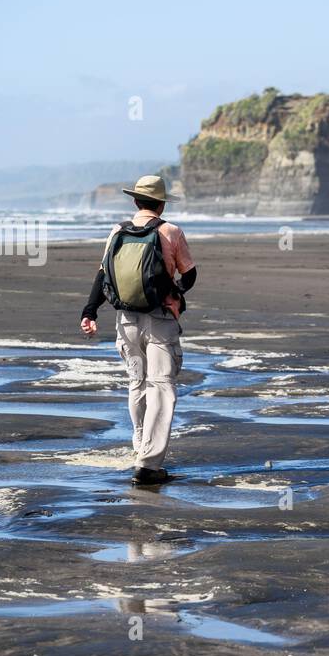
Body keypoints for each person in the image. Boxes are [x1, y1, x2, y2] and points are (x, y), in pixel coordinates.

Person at [79, 175, 197, 485]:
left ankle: (140, 448)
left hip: (125, 319)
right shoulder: (170, 231)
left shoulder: (117, 231)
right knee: (162, 387)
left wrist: (90, 311)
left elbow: (103, 274)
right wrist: (175, 294)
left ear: (135, 202)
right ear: (161, 204)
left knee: (138, 383)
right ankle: (148, 464)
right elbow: (190, 274)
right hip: (159, 320)